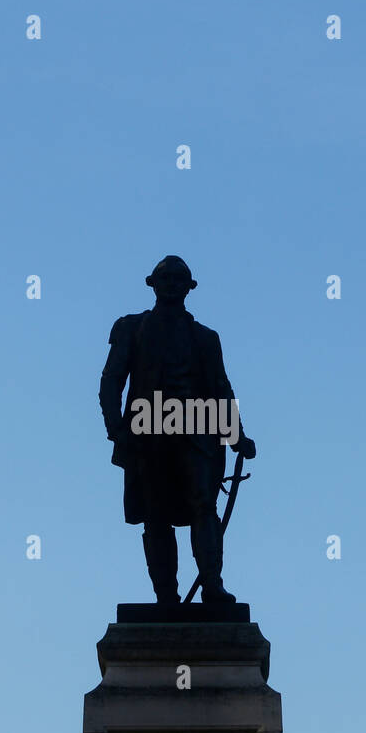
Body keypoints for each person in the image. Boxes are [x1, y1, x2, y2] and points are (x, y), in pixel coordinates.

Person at [99, 255, 256, 604]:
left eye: (178, 278)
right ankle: (166, 596)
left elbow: (221, 388)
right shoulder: (130, 327)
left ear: (189, 287)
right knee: (156, 516)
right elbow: (112, 380)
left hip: (197, 433)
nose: (171, 283)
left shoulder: (205, 338)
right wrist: (116, 429)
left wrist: (237, 435)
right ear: (152, 284)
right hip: (147, 433)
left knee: (203, 506)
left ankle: (212, 585)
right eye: (165, 277)